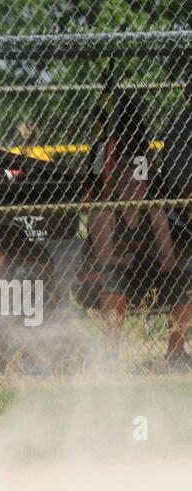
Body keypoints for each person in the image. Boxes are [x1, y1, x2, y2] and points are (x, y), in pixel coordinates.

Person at [82, 94, 191, 368]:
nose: (135, 189)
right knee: (114, 281)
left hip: (144, 274)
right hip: (106, 279)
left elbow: (168, 259)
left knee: (183, 285)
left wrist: (150, 264)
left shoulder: (153, 210)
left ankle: (175, 354)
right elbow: (106, 259)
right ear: (117, 185)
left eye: (139, 184)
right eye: (128, 184)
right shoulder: (107, 210)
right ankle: (109, 358)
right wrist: (133, 262)